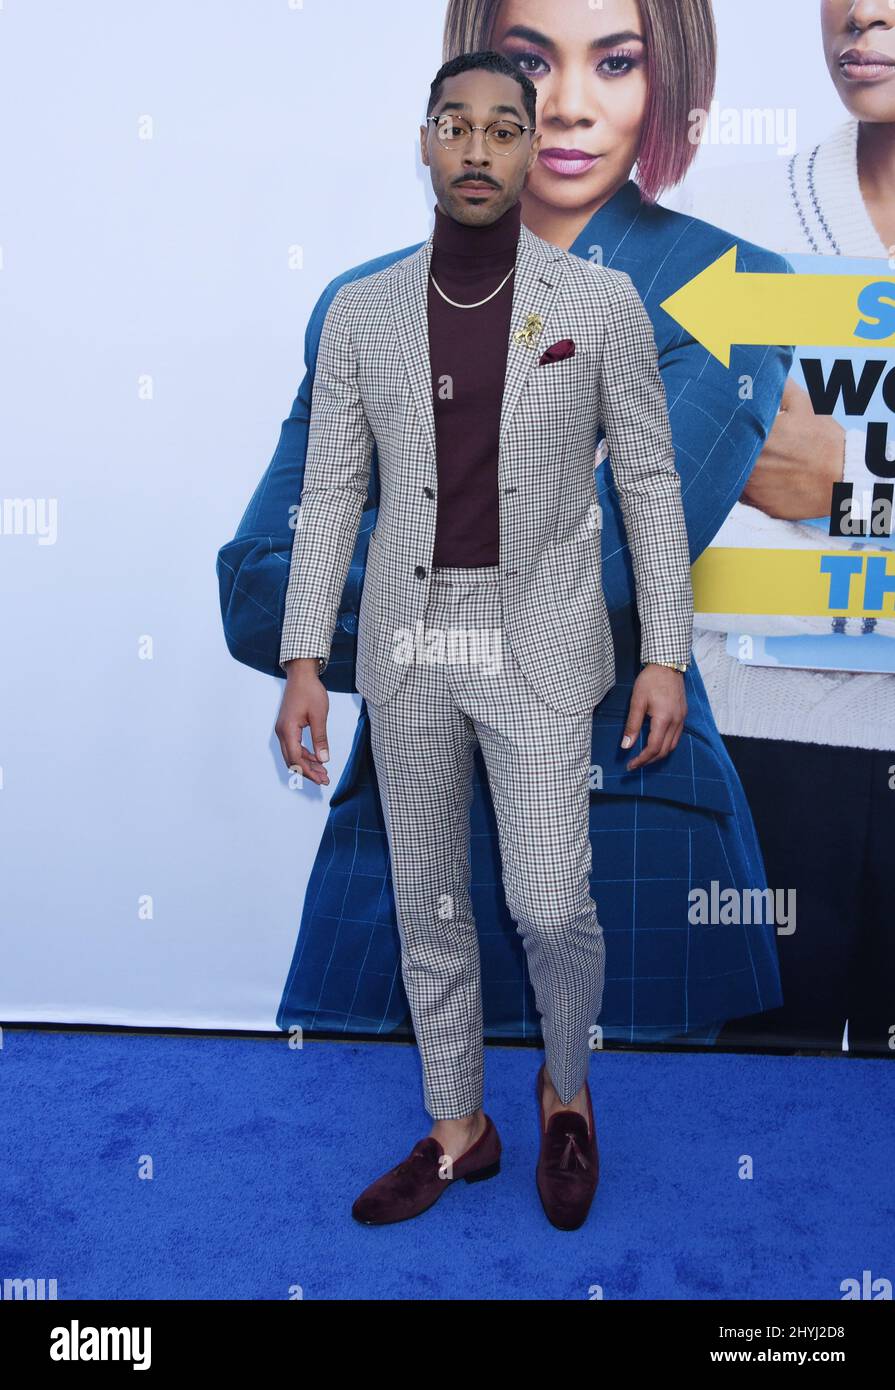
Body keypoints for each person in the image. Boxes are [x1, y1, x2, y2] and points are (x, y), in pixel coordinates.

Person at [217, 0, 794, 1057]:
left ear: (667, 78)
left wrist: (395, 539)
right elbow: (257, 587)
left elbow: (613, 567)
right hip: (386, 851)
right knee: (316, 1145)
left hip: (627, 830)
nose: (566, 105)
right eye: (531, 61)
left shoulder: (732, 288)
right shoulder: (363, 302)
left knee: (630, 1155)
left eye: (614, 63)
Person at [275, 50, 693, 1229]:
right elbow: (330, 493)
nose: (475, 149)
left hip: (539, 636)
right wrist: (304, 659)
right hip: (407, 643)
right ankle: (458, 1126)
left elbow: (650, 481)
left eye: (501, 129)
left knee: (551, 903)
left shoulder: (598, 303)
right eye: (453, 125)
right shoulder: (360, 312)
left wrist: (665, 650)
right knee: (431, 905)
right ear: (424, 142)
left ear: (529, 148)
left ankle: (565, 1091)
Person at [664, 0, 895, 1053]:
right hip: (762, 737)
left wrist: (846, 483)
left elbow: (797, 483)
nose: (862, 12)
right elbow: (658, 486)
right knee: (750, 1093)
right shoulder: (727, 217)